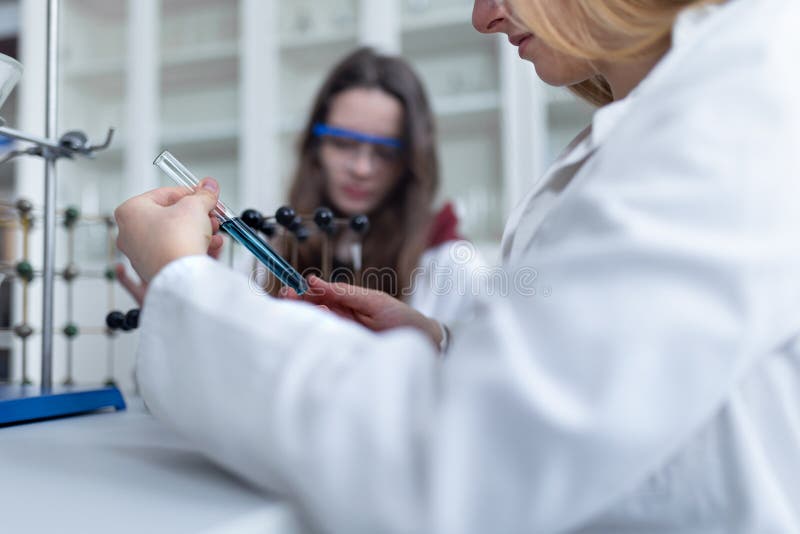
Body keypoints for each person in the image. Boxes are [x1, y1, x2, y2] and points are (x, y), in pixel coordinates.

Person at [114, 0, 800, 532]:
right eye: (343, 142)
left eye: (380, 149)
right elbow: (591, 385)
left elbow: (461, 463)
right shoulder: (662, 115)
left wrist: (186, 286)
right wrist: (439, 343)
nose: (481, 16)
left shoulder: (738, 108)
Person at [117, 47, 484, 326]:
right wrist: (173, 318)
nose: (361, 168)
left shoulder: (450, 264)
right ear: (315, 145)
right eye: (342, 143)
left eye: (385, 152)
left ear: (411, 162)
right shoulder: (268, 249)